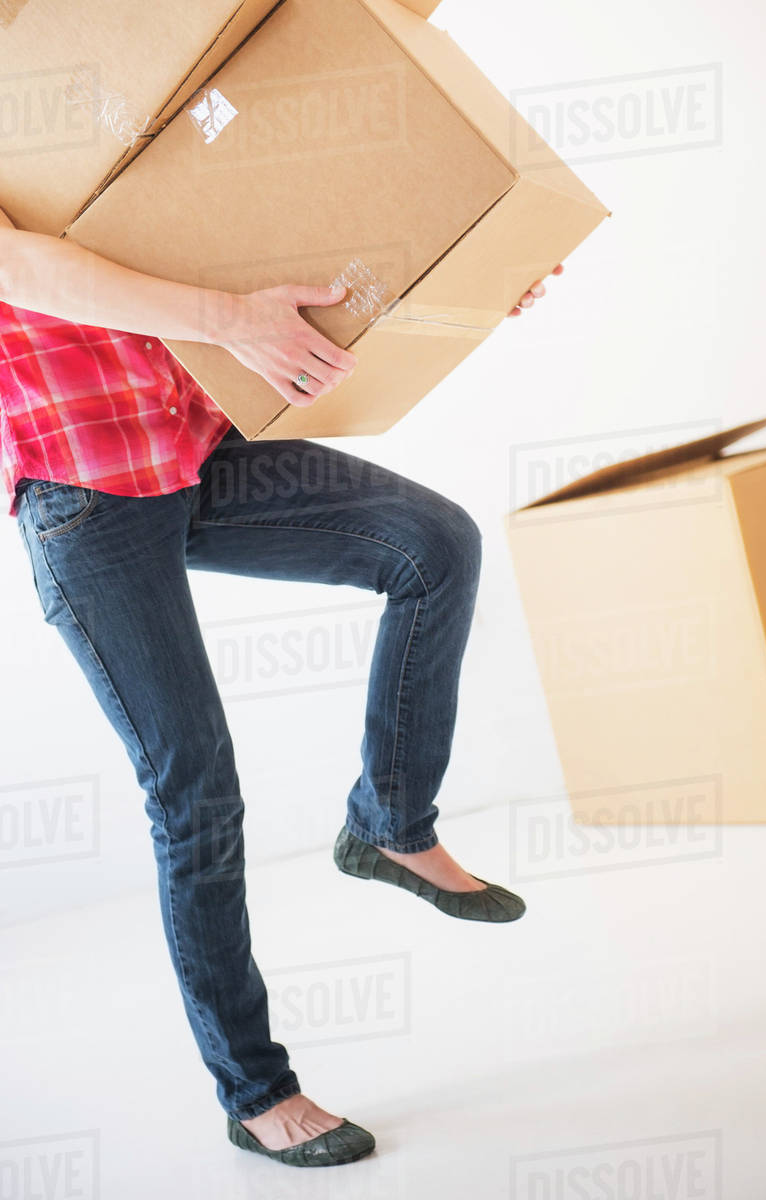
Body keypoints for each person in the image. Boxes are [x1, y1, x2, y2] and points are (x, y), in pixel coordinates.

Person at [0, 201, 562, 1168]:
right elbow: (24, 271)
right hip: (83, 496)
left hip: (198, 448)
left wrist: (458, 298)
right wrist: (225, 318)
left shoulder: (87, 86)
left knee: (432, 546)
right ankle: (256, 1093)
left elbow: (244, 225)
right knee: (196, 794)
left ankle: (390, 823)